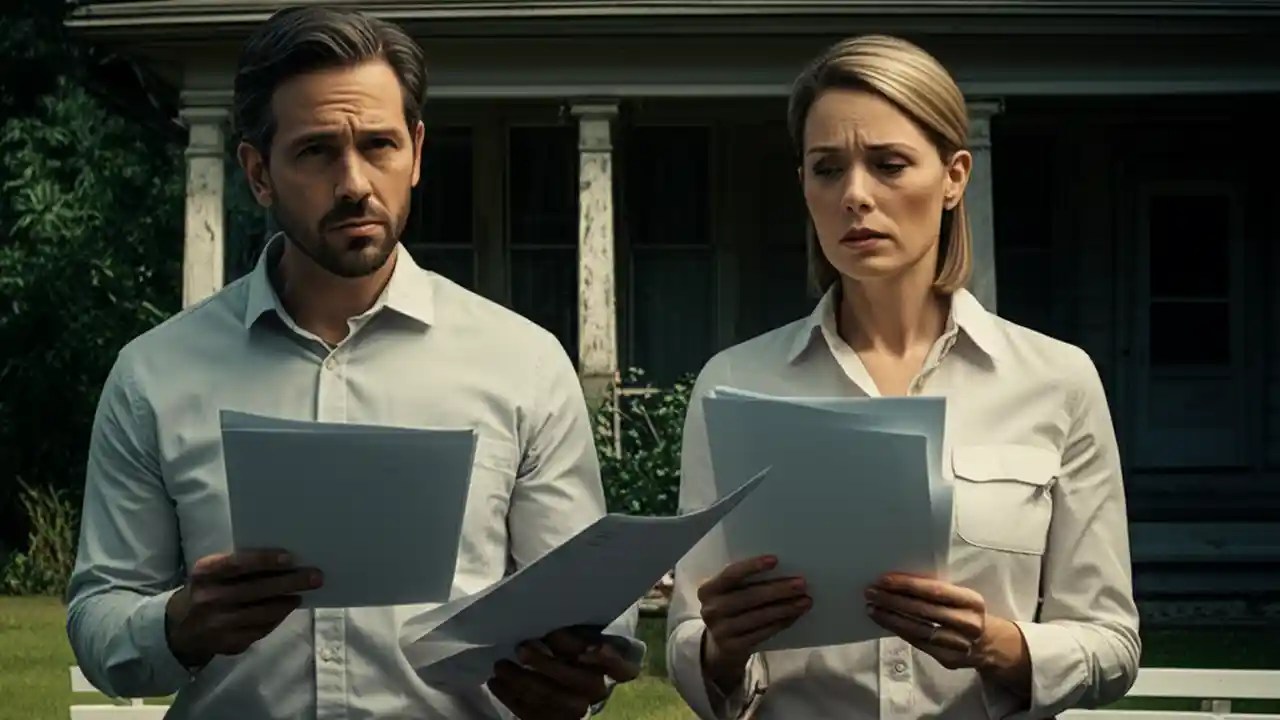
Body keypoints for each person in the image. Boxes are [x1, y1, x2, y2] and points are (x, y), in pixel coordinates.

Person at [65, 6, 641, 719]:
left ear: (418, 152)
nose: (355, 183)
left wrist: (576, 673)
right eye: (315, 152)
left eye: (379, 145)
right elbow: (98, 618)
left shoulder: (522, 365)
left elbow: (591, 614)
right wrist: (177, 625)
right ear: (257, 171)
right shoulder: (154, 377)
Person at [665, 34, 1140, 720]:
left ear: (954, 178)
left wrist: (998, 646)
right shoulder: (734, 383)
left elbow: (1113, 643)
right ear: (803, 183)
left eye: (888, 164)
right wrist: (720, 650)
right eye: (827, 169)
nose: (856, 195)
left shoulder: (1056, 380)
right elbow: (688, 637)